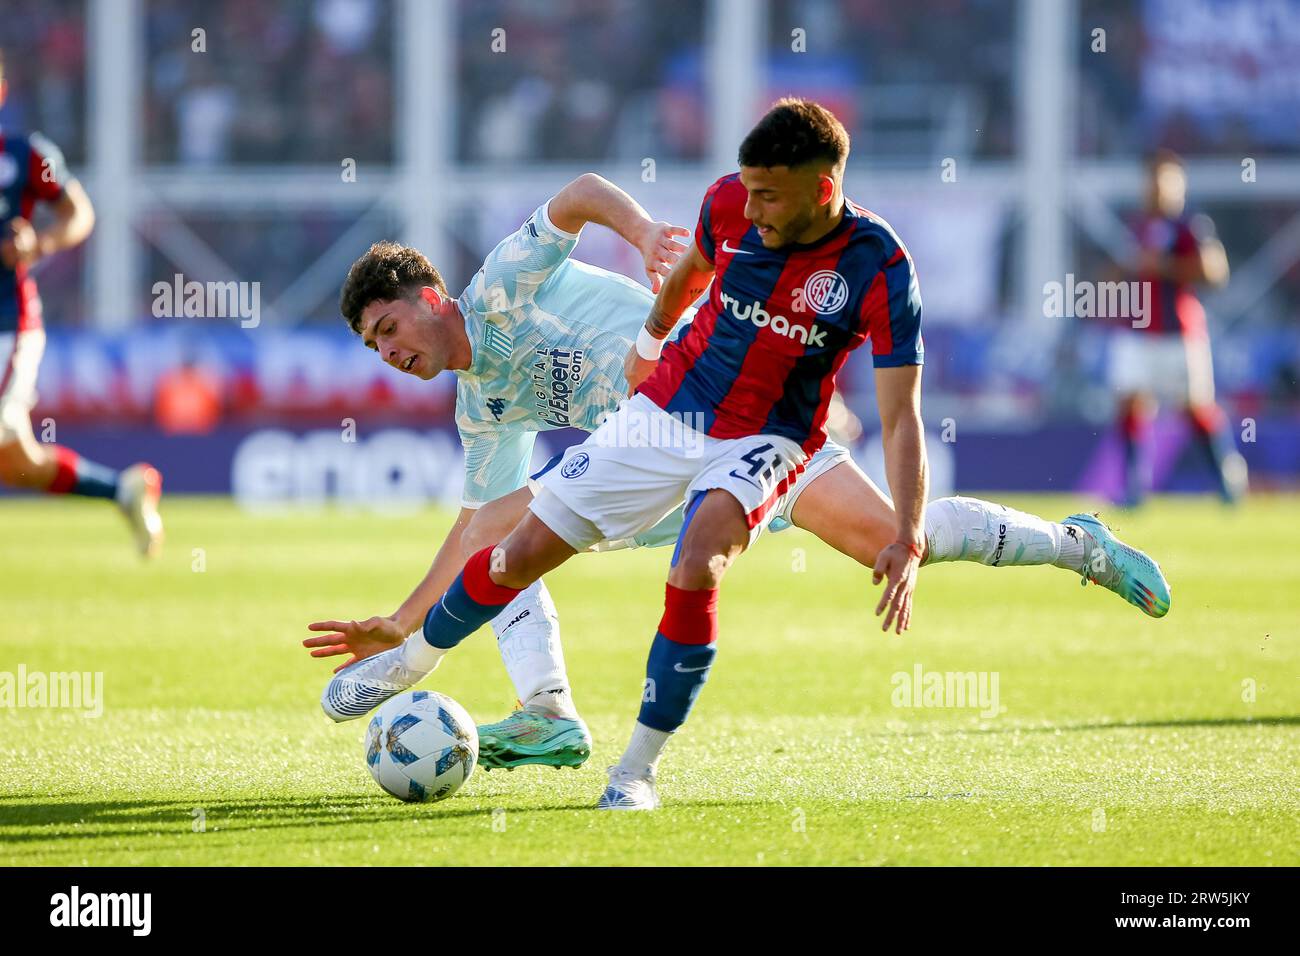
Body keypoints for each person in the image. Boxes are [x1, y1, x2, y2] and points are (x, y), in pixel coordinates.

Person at [306, 103, 1171, 808]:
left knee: (894, 543)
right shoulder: (479, 406)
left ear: (428, 297)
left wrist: (644, 235)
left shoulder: (499, 286)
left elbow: (576, 194)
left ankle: (1076, 545)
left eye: (388, 328)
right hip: (655, 448)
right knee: (511, 534)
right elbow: (472, 521)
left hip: (744, 411)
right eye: (374, 347)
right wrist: (404, 617)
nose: (389, 352)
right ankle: (548, 715)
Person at [0, 50, 163, 556]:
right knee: (14, 459)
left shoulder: (25, 155)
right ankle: (122, 490)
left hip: (8, 324)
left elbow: (78, 212)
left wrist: (39, 244)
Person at [1110, 149, 1245, 507]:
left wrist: (1165, 266)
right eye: (1152, 179)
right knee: (1130, 403)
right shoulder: (1135, 226)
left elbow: (1215, 272)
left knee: (1196, 409)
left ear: (1178, 186)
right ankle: (1133, 489)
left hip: (1180, 335)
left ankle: (1226, 481)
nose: (1156, 187)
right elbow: (1122, 273)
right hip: (1137, 333)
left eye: (1164, 179)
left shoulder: (1191, 225)